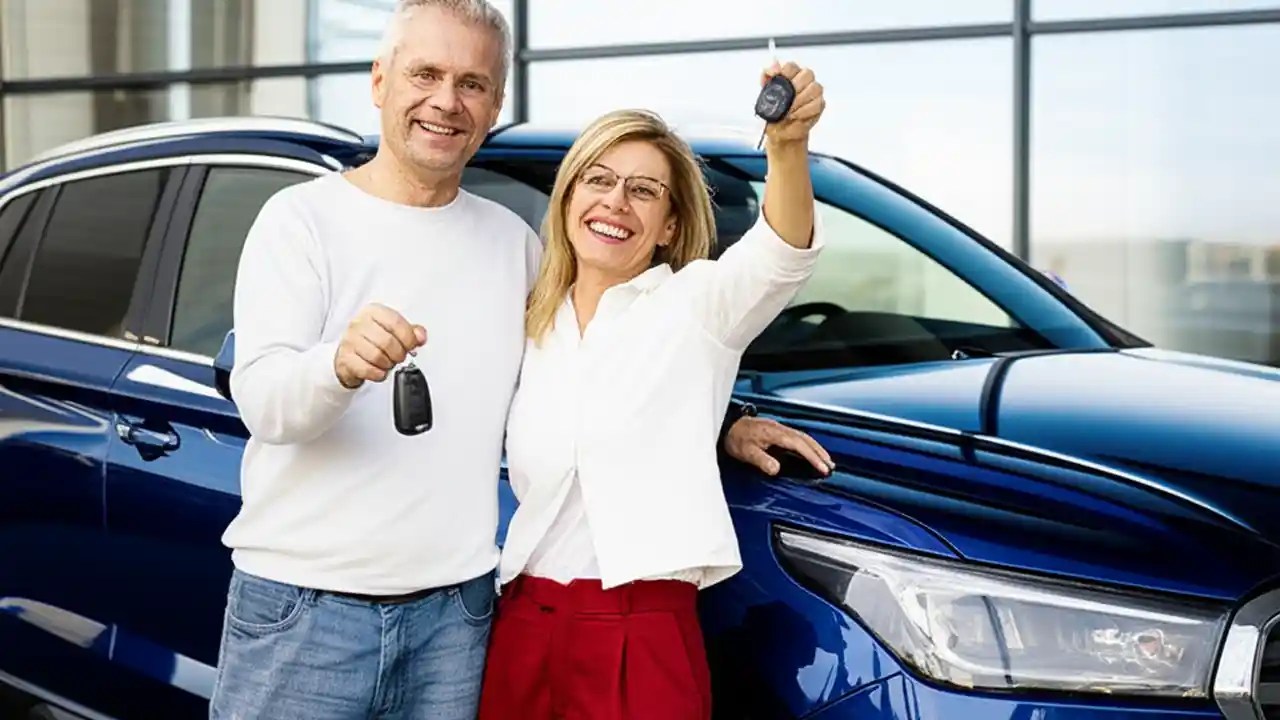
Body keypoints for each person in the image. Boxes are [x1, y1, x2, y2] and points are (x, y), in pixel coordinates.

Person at [209, 1, 830, 718]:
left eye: (472, 83)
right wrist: (337, 367)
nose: (447, 99)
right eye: (427, 73)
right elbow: (264, 401)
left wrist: (718, 421)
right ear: (380, 81)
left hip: (459, 615)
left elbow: (735, 291)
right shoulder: (302, 221)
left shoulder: (513, 250)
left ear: (495, 103)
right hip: (310, 610)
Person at [477, 59, 829, 720]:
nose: (615, 202)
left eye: (643, 191)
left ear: (669, 225)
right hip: (520, 622)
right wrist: (722, 424)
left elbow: (781, 252)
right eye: (599, 180)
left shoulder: (696, 304)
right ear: (569, 198)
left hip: (640, 633)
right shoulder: (525, 318)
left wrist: (787, 146)